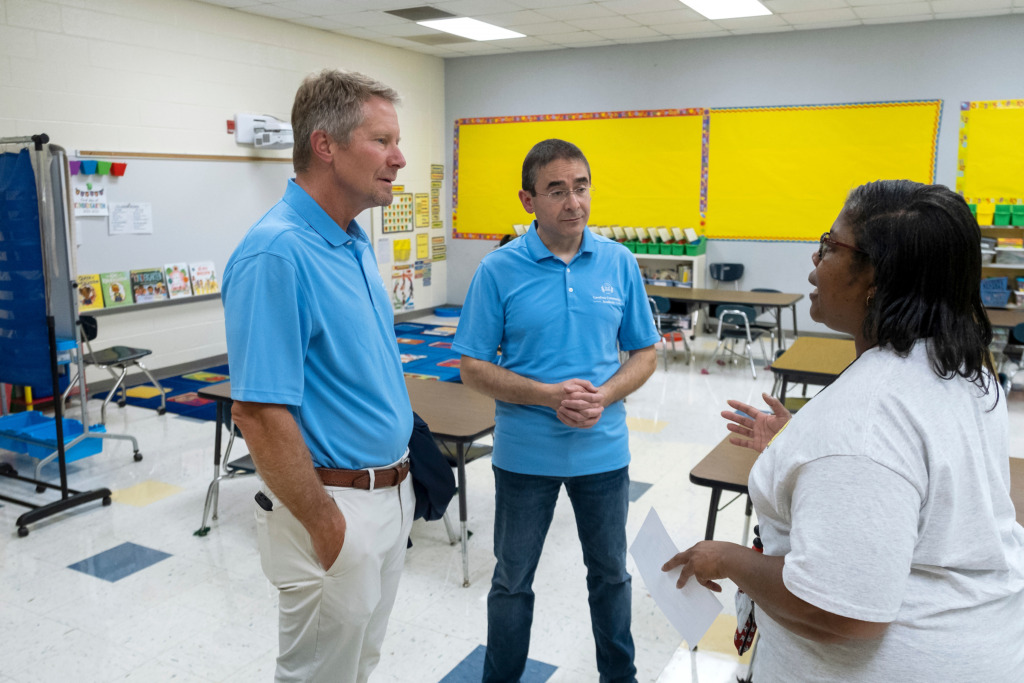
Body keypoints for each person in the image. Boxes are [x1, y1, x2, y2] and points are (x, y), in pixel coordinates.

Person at [663, 180, 1024, 681]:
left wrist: (726, 558)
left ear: (876, 276)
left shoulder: (866, 419)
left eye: (830, 246)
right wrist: (801, 447)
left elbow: (839, 612)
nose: (814, 261)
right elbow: (901, 469)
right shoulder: (963, 368)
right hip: (983, 642)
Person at [222, 69, 413, 683]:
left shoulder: (353, 242)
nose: (399, 158)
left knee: (359, 663)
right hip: (334, 507)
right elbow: (257, 412)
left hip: (389, 496)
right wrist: (328, 526)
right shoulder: (277, 253)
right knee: (317, 676)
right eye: (382, 141)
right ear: (325, 144)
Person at [453, 138, 659, 683]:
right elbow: (472, 366)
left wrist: (606, 395)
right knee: (513, 579)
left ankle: (621, 678)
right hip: (525, 457)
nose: (574, 202)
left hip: (603, 453)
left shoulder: (620, 262)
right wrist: (547, 396)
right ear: (528, 200)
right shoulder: (498, 271)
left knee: (611, 575)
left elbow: (645, 353)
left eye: (582, 187)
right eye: (557, 190)